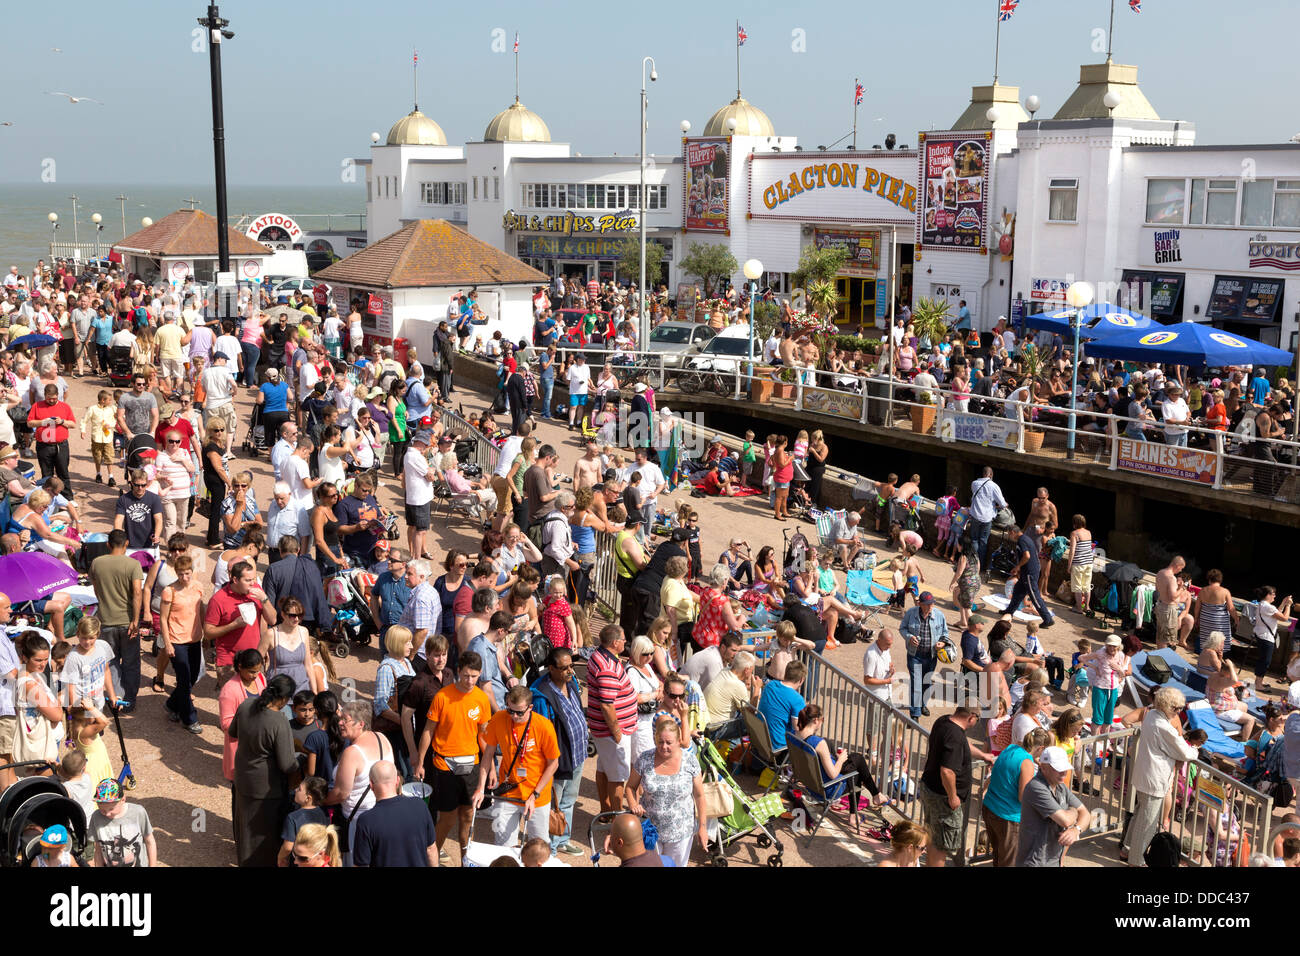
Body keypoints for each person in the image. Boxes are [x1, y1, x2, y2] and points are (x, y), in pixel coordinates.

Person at [473, 685, 561, 846]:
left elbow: (553, 763)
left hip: (536, 795)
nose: (514, 716)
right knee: (503, 846)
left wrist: (535, 795)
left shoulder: (543, 726)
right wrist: (480, 788)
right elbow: (487, 755)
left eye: (519, 712)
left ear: (530, 707)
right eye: (510, 711)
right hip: (507, 793)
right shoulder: (499, 718)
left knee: (538, 847)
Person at [1123, 687, 1202, 865]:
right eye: (1176, 709)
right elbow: (1186, 753)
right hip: (1154, 779)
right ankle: (1135, 860)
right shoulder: (1164, 726)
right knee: (1147, 824)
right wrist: (1195, 749)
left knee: (1139, 816)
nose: (1179, 712)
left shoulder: (1151, 715)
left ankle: (1126, 848)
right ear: (1167, 706)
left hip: (1144, 775)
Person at [229, 674, 299, 867]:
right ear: (284, 699)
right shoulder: (279, 721)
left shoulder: (246, 705)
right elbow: (287, 764)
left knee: (245, 833)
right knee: (265, 838)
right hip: (267, 788)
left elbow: (232, 732)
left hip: (243, 779)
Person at [625, 715, 707, 868]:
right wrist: (633, 804)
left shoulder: (690, 761)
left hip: (680, 832)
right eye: (660, 742)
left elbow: (700, 795)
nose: (664, 747)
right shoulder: (645, 758)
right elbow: (630, 787)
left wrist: (702, 827)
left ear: (678, 741)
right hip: (649, 831)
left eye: (669, 743)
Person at [530, 646, 589, 855]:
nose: (570, 671)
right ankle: (551, 849)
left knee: (569, 800)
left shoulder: (570, 682)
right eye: (564, 668)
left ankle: (562, 839)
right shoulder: (542, 696)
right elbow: (541, 734)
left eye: (571, 666)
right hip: (558, 760)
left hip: (578, 754)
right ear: (551, 669)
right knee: (554, 806)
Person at [919, 705, 993, 867]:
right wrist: (953, 797)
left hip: (930, 788)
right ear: (971, 717)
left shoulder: (944, 721)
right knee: (942, 845)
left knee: (934, 836)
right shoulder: (955, 736)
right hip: (943, 799)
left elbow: (963, 742)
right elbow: (947, 771)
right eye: (978, 720)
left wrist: (982, 755)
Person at [324, 700, 393, 863]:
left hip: (358, 824)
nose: (340, 723)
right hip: (384, 816)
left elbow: (341, 793)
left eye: (345, 720)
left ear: (360, 724)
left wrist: (320, 800)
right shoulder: (382, 738)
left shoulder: (352, 753)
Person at [89, 529, 144, 712]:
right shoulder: (133, 564)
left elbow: (96, 589)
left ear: (108, 544)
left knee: (110, 662)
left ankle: (116, 698)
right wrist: (136, 620)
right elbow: (137, 592)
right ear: (126, 543)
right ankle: (129, 700)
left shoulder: (97, 563)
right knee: (131, 662)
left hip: (105, 620)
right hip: (127, 621)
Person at [585, 624, 638, 813]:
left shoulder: (600, 656)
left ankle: (606, 810)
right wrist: (617, 733)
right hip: (612, 731)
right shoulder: (607, 666)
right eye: (623, 639)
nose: (625, 642)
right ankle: (616, 816)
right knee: (617, 776)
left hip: (605, 730)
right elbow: (607, 704)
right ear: (615, 643)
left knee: (604, 768)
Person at [981, 727, 1051, 866]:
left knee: (998, 856)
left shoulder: (1010, 748)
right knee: (1010, 862)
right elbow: (1023, 797)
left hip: (990, 808)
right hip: (1008, 819)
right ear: (1041, 747)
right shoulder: (1027, 763)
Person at [352, 760, 439, 867]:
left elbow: (361, 865)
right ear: (397, 781)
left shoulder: (366, 821)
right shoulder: (420, 805)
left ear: (371, 785)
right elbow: (431, 849)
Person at [1016, 746, 1090, 867]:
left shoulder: (1061, 786)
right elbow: (1065, 820)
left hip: (1053, 860)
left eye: (1065, 768)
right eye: (1058, 769)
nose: (1064, 773)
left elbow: (1086, 813)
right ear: (1044, 768)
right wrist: (1074, 811)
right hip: (1035, 862)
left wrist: (1076, 830)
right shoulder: (1036, 787)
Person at [159, 554, 204, 733]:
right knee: (184, 680)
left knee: (192, 677)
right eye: (180, 574)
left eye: (187, 574)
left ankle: (172, 704)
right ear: (176, 573)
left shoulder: (199, 587)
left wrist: (206, 634)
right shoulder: (169, 591)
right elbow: (163, 618)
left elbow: (201, 610)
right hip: (177, 640)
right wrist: (167, 643)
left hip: (194, 638)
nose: (184, 578)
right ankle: (189, 718)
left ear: (192, 572)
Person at [901, 592, 949, 719]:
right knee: (916, 683)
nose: (930, 606)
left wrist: (942, 642)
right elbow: (902, 628)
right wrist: (909, 637)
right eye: (927, 604)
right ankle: (915, 713)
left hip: (931, 656)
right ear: (920, 604)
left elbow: (945, 633)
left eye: (932, 603)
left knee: (926, 682)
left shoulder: (939, 615)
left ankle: (922, 704)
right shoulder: (911, 613)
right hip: (915, 655)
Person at [90, 779, 158, 867]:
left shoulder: (138, 813)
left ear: (123, 800)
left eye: (111, 809)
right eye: (102, 810)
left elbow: (150, 841)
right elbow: (98, 849)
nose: (107, 814)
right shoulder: (96, 817)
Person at [1004, 523, 1056, 627]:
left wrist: (1018, 567)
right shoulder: (1025, 538)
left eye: (1009, 534)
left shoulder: (1022, 540)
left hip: (1029, 572)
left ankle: (1047, 619)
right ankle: (1009, 611)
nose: (1009, 537)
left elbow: (1026, 556)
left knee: (1034, 595)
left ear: (1013, 532)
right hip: (1027, 571)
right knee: (1018, 591)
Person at [756, 659, 808, 752]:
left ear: (786, 674)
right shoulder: (797, 699)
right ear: (801, 679)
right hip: (778, 747)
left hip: (758, 738)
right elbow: (799, 730)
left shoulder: (770, 685)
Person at [1252, 586, 1293, 687]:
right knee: (1265, 661)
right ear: (1267, 595)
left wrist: (1283, 603)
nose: (1275, 595)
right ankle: (1258, 683)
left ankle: (1259, 681)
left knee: (1263, 660)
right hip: (1266, 637)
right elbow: (1284, 618)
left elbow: (1276, 613)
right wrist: (1288, 606)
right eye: (1273, 593)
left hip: (1261, 635)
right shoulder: (1267, 607)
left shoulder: (1263, 605)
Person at [968, 467, 1007, 569]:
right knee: (983, 542)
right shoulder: (994, 486)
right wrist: (1004, 505)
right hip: (987, 517)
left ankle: (972, 563)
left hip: (975, 515)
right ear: (991, 475)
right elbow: (1002, 504)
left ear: (983, 473)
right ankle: (980, 565)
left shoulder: (974, 483)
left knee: (974, 540)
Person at [1193, 569, 1238, 655]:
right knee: (1219, 643)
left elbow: (1197, 607)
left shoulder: (1203, 591)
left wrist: (1196, 619)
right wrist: (1236, 619)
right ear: (1220, 579)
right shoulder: (1225, 591)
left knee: (1206, 642)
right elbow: (1231, 608)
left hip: (1205, 620)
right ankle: (1215, 661)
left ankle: (1205, 660)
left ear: (1209, 579)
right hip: (1219, 622)